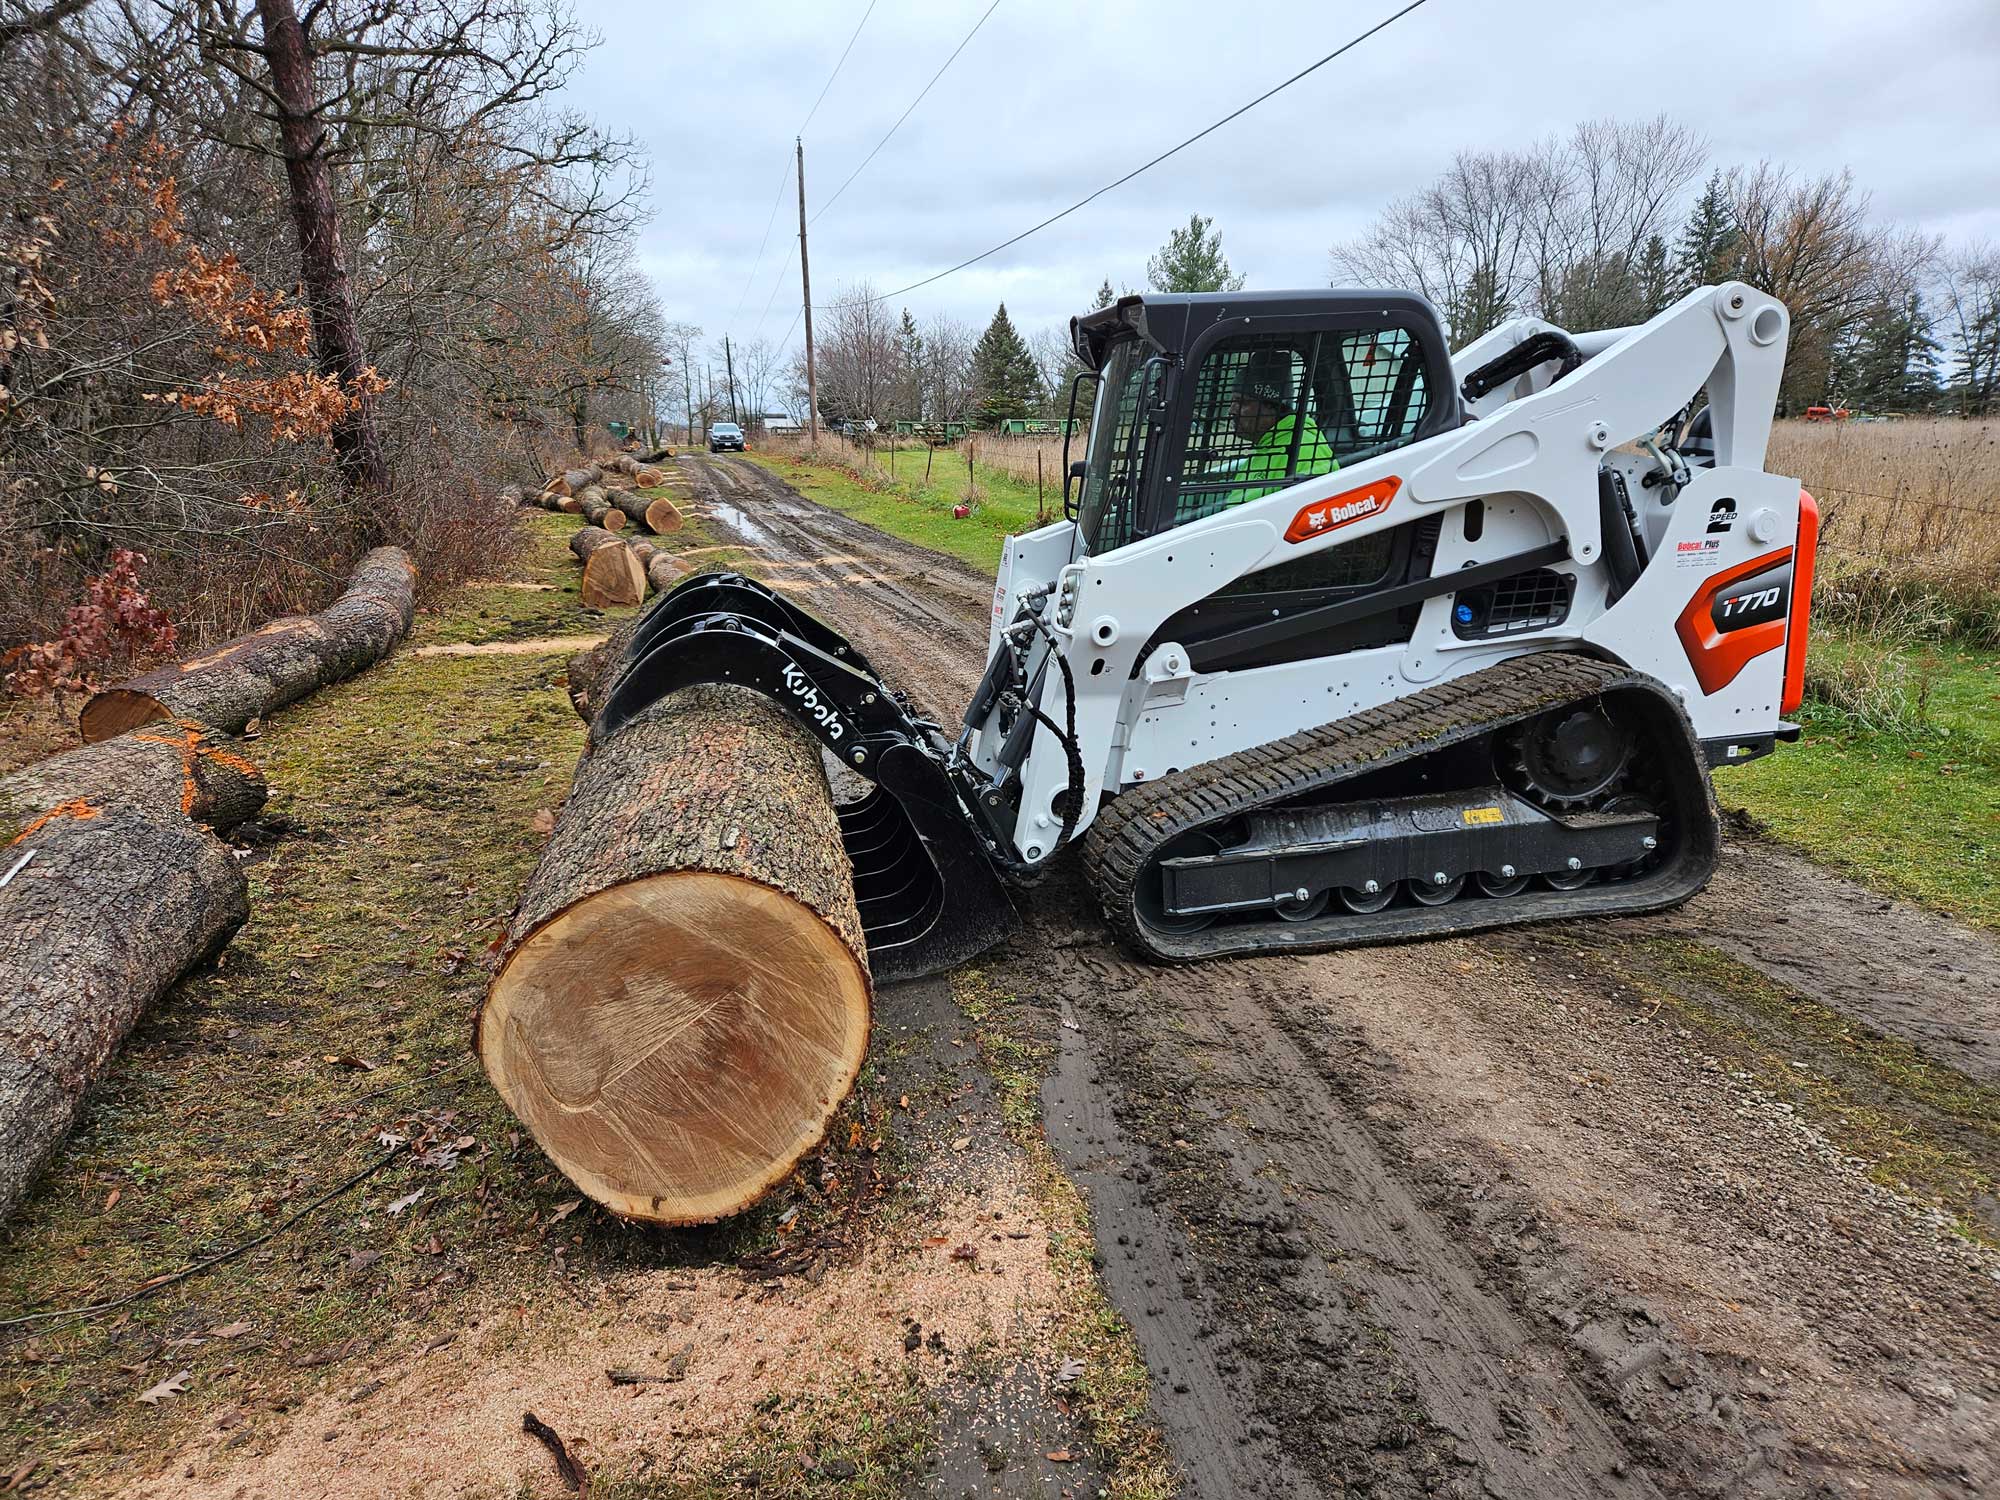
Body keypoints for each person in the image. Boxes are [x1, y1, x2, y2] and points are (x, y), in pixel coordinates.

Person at [1215, 348, 1336, 507]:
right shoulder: (1268, 447)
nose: (1231, 410)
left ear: (1273, 406)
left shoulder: (1304, 449)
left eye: (1242, 402)